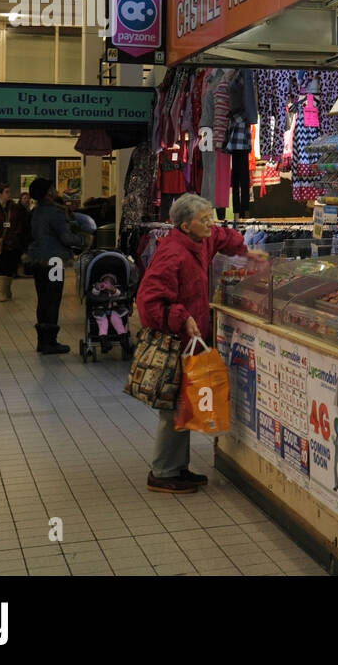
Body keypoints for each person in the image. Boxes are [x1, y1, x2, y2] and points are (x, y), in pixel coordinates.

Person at [136, 193, 253, 494]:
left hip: (192, 337)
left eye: (211, 217)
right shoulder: (172, 253)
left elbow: (225, 237)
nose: (210, 224)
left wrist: (242, 249)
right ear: (185, 225)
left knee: (183, 404)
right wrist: (179, 316)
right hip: (176, 339)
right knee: (173, 408)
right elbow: (148, 302)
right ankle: (161, 473)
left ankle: (177, 468)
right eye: (204, 220)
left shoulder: (201, 241)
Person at [27, 177, 84, 355]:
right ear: (48, 192)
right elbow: (66, 237)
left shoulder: (35, 211)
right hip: (54, 261)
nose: (55, 190)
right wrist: (83, 240)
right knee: (53, 298)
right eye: (52, 188)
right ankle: (50, 342)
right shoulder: (55, 212)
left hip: (37, 260)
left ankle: (42, 340)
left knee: (42, 299)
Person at [0, 181, 28, 302]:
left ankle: (7, 290)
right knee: (3, 265)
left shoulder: (14, 207)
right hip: (0, 241)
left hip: (14, 241)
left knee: (11, 266)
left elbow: (19, 222)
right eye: (7, 192)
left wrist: (16, 234)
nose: (9, 194)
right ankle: (0, 293)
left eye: (9, 192)